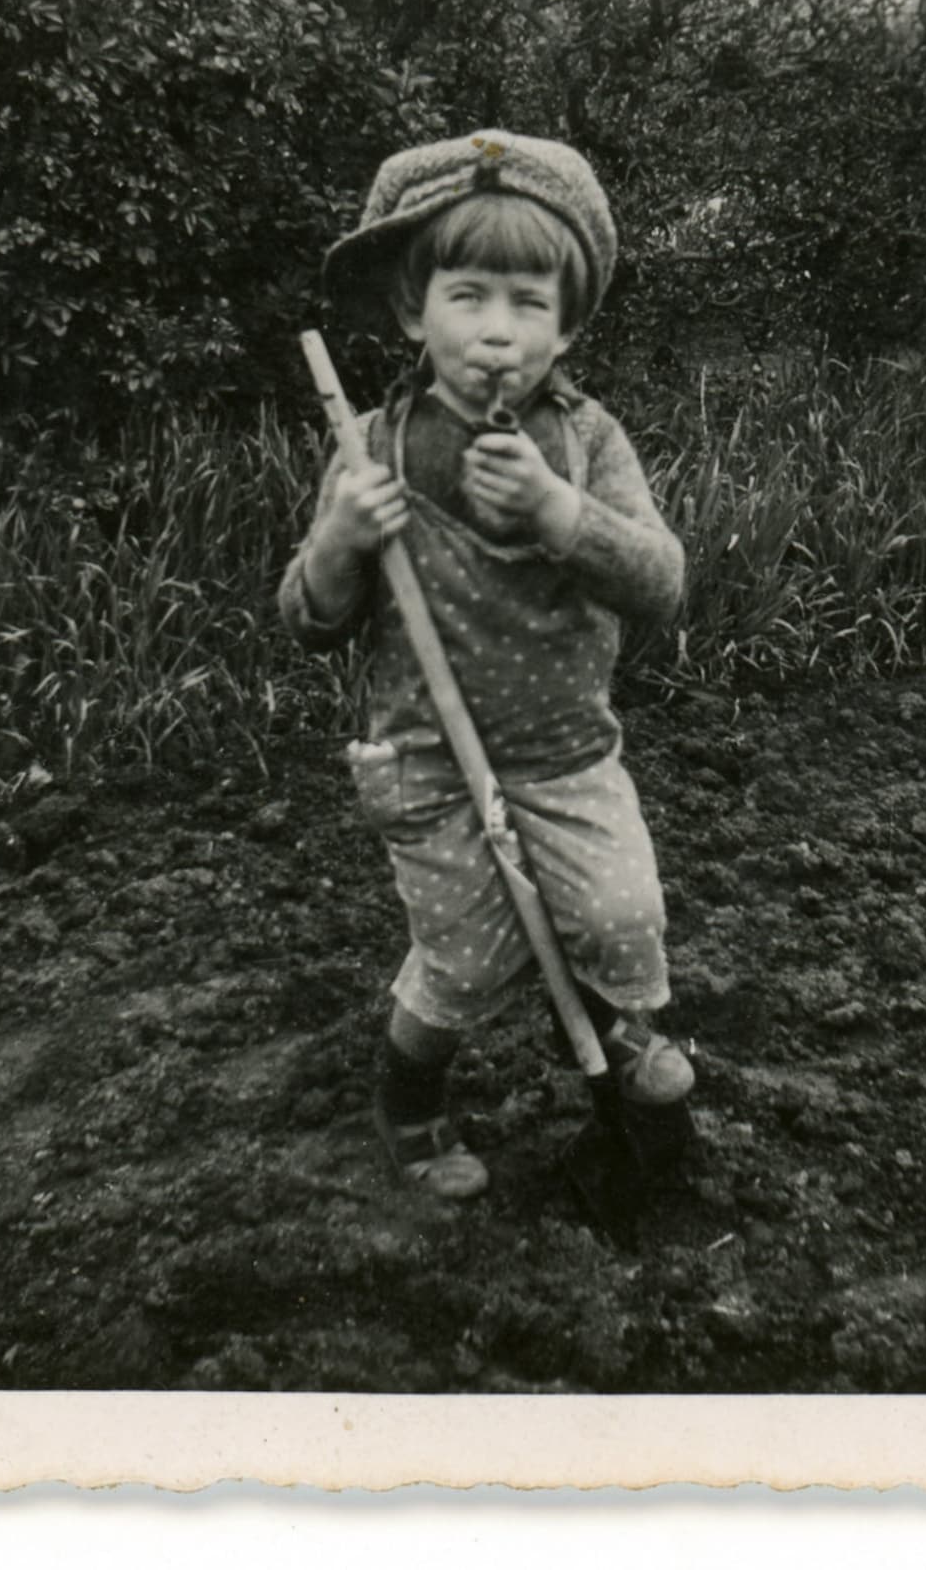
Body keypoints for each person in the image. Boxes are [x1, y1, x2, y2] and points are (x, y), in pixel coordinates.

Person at [279, 130, 692, 1200]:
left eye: (528, 303)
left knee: (618, 915)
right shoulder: (370, 445)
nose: (499, 333)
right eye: (469, 296)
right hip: (425, 760)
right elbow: (307, 620)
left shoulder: (586, 443)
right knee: (466, 959)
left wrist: (564, 516)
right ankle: (408, 1098)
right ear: (414, 310)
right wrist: (336, 543)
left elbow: (659, 582)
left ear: (568, 324)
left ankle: (622, 1035)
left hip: (565, 750)